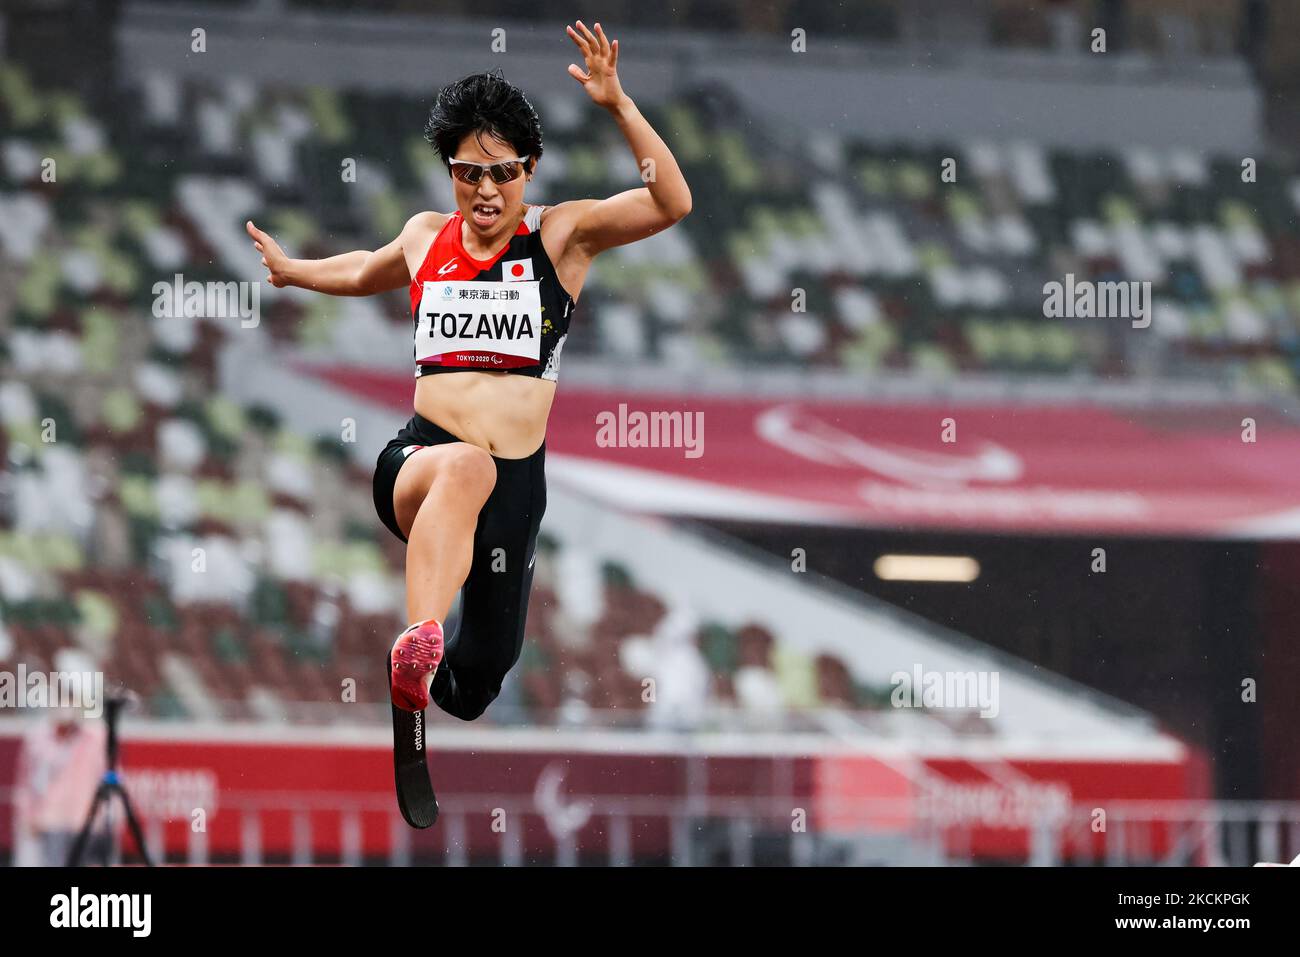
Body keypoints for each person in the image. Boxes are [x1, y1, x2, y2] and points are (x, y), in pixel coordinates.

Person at [245, 22, 691, 719]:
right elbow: (366, 268)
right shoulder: (426, 235)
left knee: (484, 674)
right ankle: (418, 640)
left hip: (515, 484)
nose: (485, 191)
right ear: (449, 172)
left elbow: (671, 203)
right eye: (467, 173)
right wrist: (294, 271)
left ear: (530, 169)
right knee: (465, 467)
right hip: (421, 461)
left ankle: (435, 682)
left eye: (502, 172)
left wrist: (620, 107)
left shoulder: (561, 236)